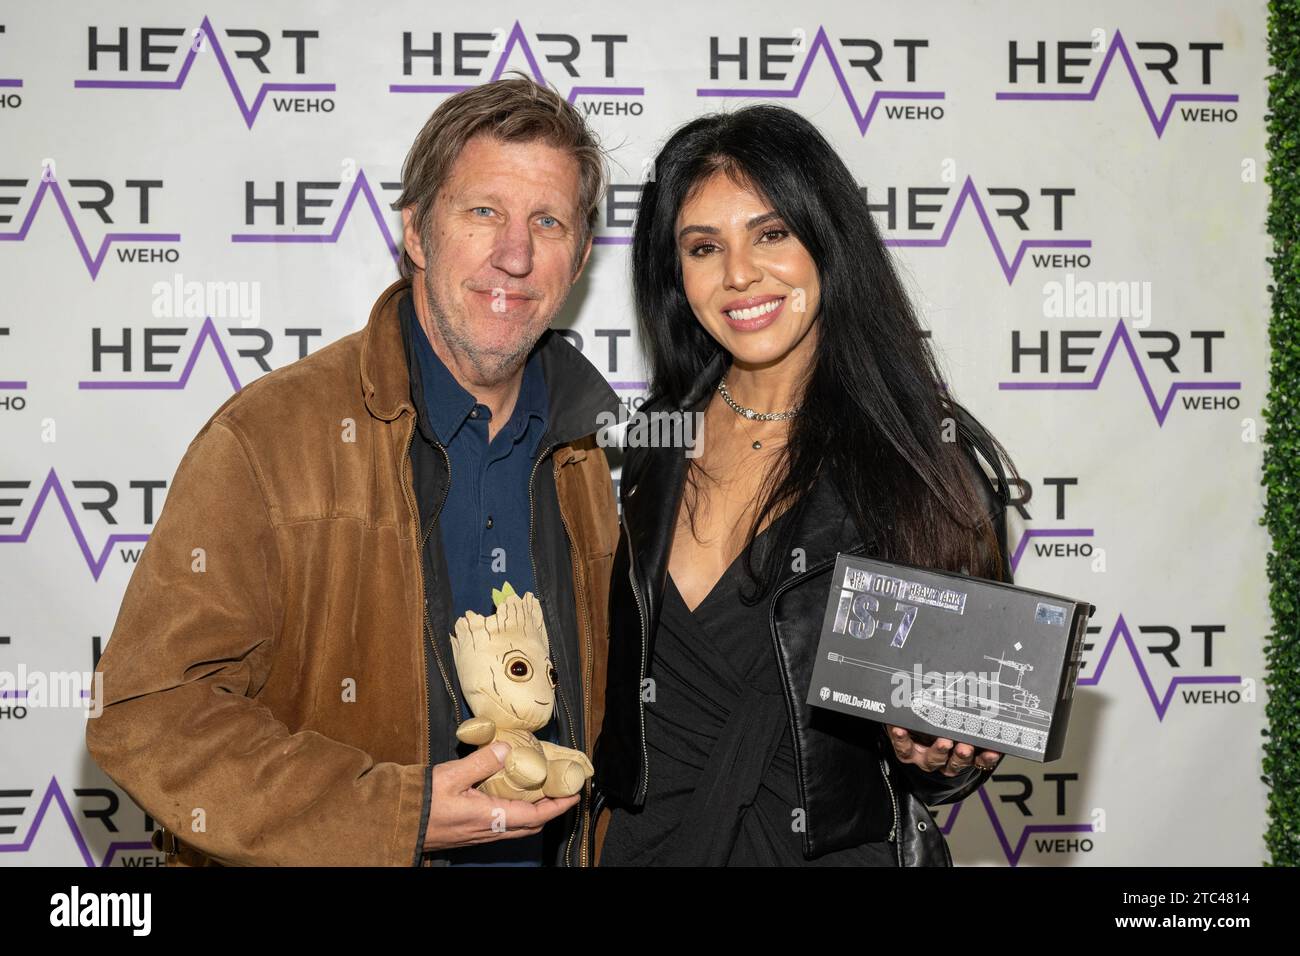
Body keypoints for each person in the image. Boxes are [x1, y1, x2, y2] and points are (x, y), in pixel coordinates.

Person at [85, 74, 622, 867]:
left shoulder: (586, 449)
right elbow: (149, 711)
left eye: (548, 221)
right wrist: (389, 814)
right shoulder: (270, 439)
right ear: (416, 232)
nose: (515, 254)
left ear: (577, 258)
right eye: (483, 212)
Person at [592, 104, 1021, 866]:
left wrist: (943, 751)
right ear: (674, 273)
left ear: (826, 238)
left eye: (771, 233)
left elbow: (953, 734)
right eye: (702, 246)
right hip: (644, 847)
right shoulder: (652, 443)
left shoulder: (921, 459)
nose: (738, 274)